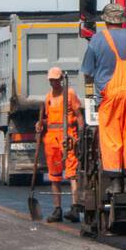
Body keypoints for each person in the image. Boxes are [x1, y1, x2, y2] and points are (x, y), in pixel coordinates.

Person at [81, 3, 126, 197]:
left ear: (106, 20)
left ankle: (115, 182)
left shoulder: (97, 40)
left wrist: (94, 93)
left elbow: (87, 73)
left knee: (112, 138)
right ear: (123, 21)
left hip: (110, 96)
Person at [35, 67, 83, 223]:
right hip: (51, 140)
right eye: (51, 80)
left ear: (61, 79)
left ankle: (75, 207)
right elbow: (48, 120)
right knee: (54, 176)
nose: (54, 82)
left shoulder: (70, 94)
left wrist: (80, 136)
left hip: (68, 138)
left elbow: (79, 116)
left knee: (72, 174)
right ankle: (57, 210)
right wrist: (40, 123)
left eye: (56, 79)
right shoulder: (48, 97)